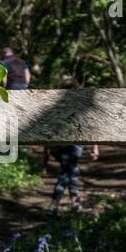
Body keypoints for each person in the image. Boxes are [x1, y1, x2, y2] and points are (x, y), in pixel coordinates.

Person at [48, 75, 98, 214]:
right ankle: (54, 206)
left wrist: (46, 150)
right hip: (72, 147)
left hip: (58, 148)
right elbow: (91, 126)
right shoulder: (80, 105)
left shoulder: (55, 105)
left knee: (71, 171)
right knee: (66, 174)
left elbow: (48, 129)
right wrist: (95, 147)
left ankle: (74, 203)